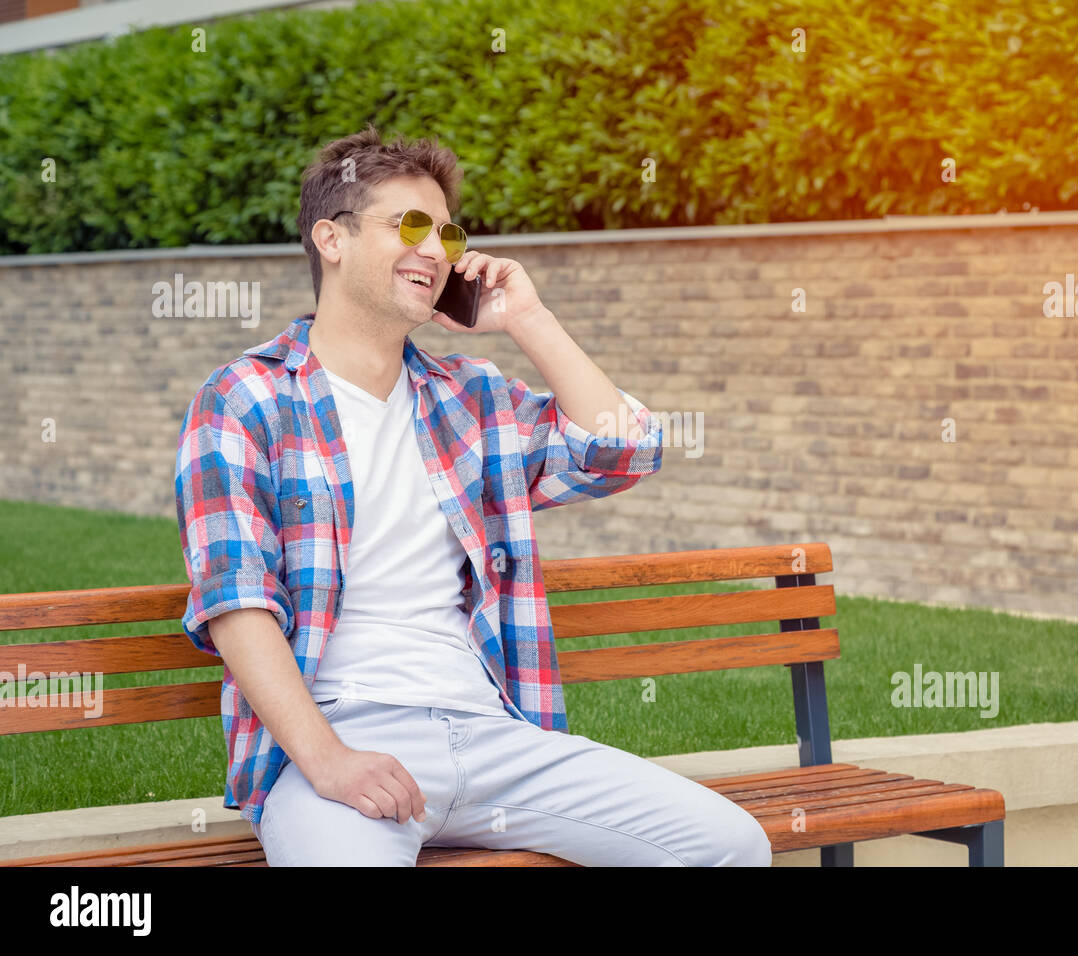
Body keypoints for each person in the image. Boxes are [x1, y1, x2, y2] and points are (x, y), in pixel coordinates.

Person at [173, 124, 772, 867]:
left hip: (494, 735)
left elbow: (625, 450)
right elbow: (236, 601)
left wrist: (527, 318)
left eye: (448, 233)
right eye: (410, 226)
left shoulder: (471, 399)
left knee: (730, 847)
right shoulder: (243, 398)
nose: (436, 249)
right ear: (331, 238)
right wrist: (329, 760)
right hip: (341, 741)